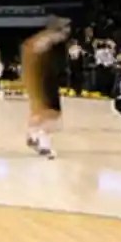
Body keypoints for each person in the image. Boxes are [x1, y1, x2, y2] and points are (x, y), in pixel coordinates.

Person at [21, 16, 71, 159]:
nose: (67, 31)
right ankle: (43, 143)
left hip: (48, 79)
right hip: (44, 79)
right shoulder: (46, 41)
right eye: (65, 28)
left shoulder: (45, 42)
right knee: (49, 114)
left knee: (46, 113)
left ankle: (33, 135)